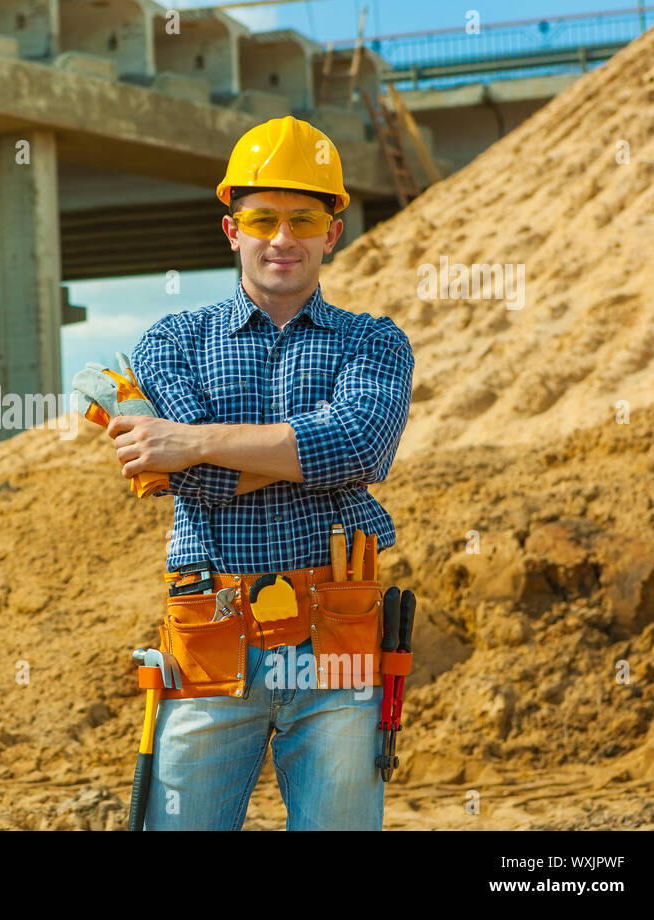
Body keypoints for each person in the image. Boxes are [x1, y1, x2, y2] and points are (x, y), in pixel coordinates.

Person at [107, 116, 414, 830]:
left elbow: (362, 449)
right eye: (263, 217)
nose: (283, 238)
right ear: (231, 229)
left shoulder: (376, 341)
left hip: (337, 637)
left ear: (332, 232)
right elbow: (204, 484)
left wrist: (195, 442)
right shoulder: (170, 343)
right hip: (211, 632)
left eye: (304, 217)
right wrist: (305, 456)